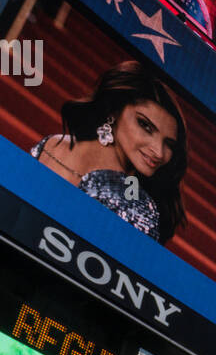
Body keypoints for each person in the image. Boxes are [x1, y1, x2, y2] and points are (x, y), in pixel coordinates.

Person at [31, 60, 187, 243]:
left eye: (169, 144)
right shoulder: (53, 144)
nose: (159, 152)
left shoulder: (139, 204)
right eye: (145, 126)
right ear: (114, 110)